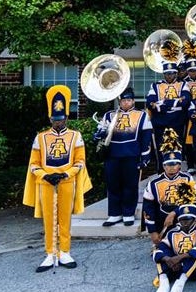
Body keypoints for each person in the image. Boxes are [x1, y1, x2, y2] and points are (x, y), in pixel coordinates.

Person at [24, 85, 91, 271]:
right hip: (45, 183)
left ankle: (65, 252)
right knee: (49, 219)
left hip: (67, 182)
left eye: (61, 119)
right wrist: (45, 175)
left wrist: (65, 174)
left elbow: (80, 162)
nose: (58, 123)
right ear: (50, 118)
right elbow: (33, 164)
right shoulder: (41, 137)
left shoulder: (76, 136)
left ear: (67, 117)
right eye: (54, 119)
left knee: (64, 219)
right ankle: (50, 253)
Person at [95, 87, 151, 227]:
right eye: (123, 100)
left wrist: (145, 158)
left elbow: (146, 138)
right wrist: (99, 134)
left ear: (133, 101)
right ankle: (114, 214)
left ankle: (128, 213)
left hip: (131, 155)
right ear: (119, 102)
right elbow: (99, 135)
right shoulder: (109, 115)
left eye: (128, 100)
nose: (126, 103)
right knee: (113, 184)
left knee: (130, 186)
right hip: (112, 155)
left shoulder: (142, 115)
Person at [152, 200, 196, 292]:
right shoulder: (172, 232)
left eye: (188, 219)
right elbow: (160, 248)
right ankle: (164, 283)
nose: (185, 222)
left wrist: (179, 258)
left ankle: (179, 285)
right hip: (175, 264)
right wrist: (168, 259)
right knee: (160, 256)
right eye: (182, 219)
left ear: (195, 219)